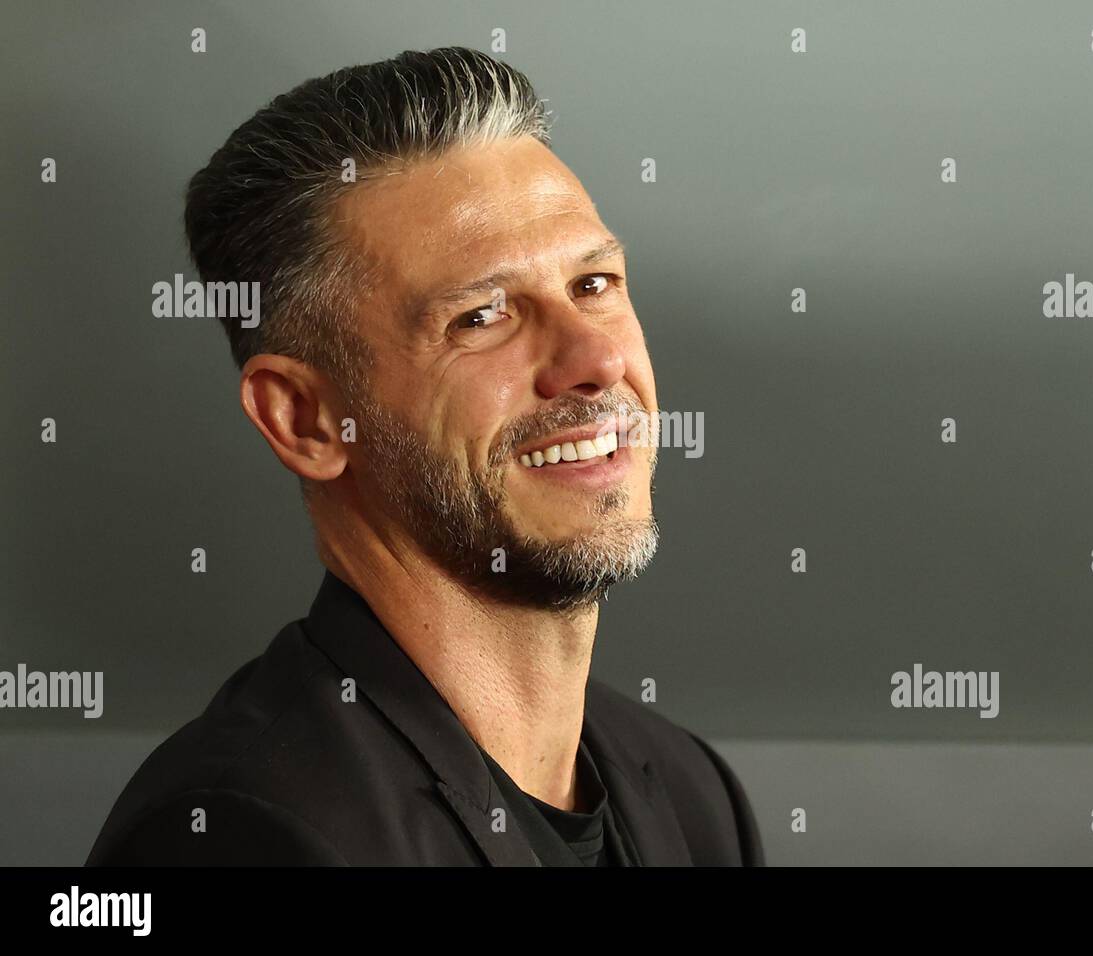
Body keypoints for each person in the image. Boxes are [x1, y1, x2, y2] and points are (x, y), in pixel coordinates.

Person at [85, 47, 763, 866]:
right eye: (480, 317)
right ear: (304, 420)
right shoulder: (239, 833)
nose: (597, 358)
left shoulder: (694, 795)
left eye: (593, 284)